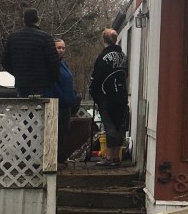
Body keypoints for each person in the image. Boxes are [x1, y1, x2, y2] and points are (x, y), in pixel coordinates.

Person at [89, 27, 130, 165]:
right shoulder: (123, 56)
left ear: (104, 40)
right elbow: (125, 74)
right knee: (119, 126)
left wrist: (94, 93)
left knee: (110, 126)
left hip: (106, 96)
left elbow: (97, 77)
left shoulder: (103, 57)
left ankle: (109, 157)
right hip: (122, 95)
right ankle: (116, 156)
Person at [1, 8, 60, 97]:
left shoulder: (13, 37)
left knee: (23, 104)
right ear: (37, 19)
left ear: (24, 20)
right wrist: (52, 79)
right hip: (42, 84)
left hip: (21, 83)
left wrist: (17, 73)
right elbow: (54, 62)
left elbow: (4, 60)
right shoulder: (45, 37)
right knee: (41, 105)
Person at [53, 37, 82, 161]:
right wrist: (62, 97)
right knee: (56, 133)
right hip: (58, 105)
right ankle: (54, 158)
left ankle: (59, 157)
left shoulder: (64, 64)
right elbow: (53, 84)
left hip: (67, 105)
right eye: (58, 48)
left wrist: (74, 96)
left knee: (63, 133)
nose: (61, 50)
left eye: (63, 48)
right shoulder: (52, 65)